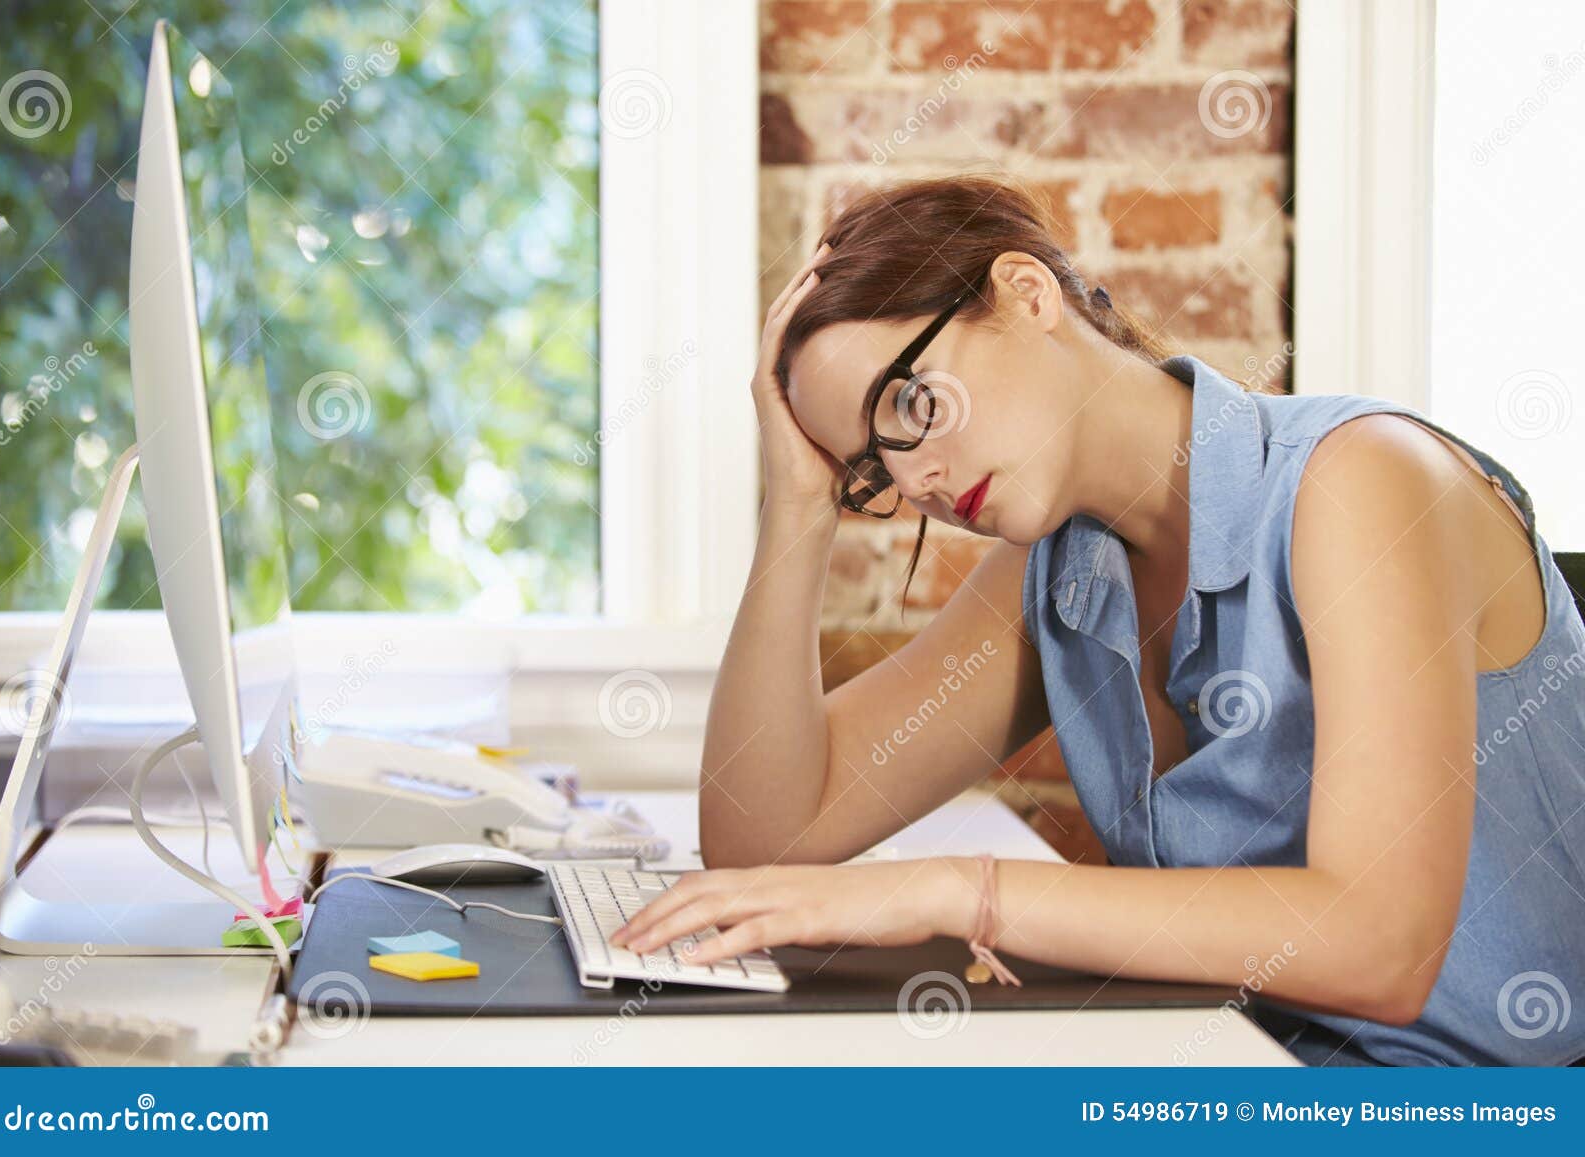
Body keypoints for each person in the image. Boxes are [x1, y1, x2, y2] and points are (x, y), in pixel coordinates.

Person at [611, 175, 1585, 1066]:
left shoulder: (1359, 479)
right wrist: (797, 505)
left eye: (908, 404)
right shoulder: (1058, 571)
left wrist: (958, 890)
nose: (915, 480)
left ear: (1026, 293)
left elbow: (1381, 945)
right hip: (1230, 1068)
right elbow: (762, 842)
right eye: (873, 466)